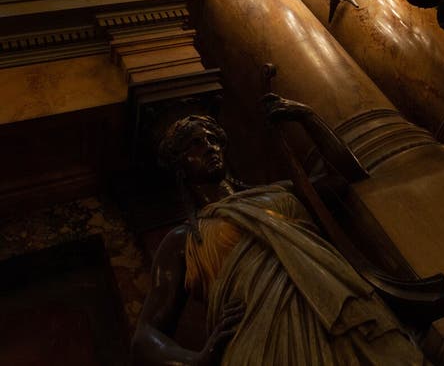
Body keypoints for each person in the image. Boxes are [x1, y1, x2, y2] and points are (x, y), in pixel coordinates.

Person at [131, 102, 421, 365]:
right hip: (258, 338)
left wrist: (308, 117)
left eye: (212, 140)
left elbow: (349, 177)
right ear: (180, 167)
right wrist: (196, 360)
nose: (208, 147)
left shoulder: (281, 192)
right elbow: (144, 336)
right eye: (194, 145)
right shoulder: (182, 240)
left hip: (337, 306)